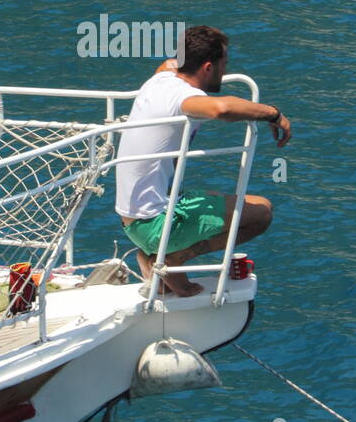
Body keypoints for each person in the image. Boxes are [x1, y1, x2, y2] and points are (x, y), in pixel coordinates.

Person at [114, 25, 290, 297]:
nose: (225, 70)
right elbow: (222, 108)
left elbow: (168, 64)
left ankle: (151, 258)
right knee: (262, 215)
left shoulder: (161, 80)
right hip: (155, 224)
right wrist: (274, 114)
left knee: (255, 202)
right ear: (208, 67)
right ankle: (172, 259)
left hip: (135, 218)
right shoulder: (183, 97)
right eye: (224, 63)